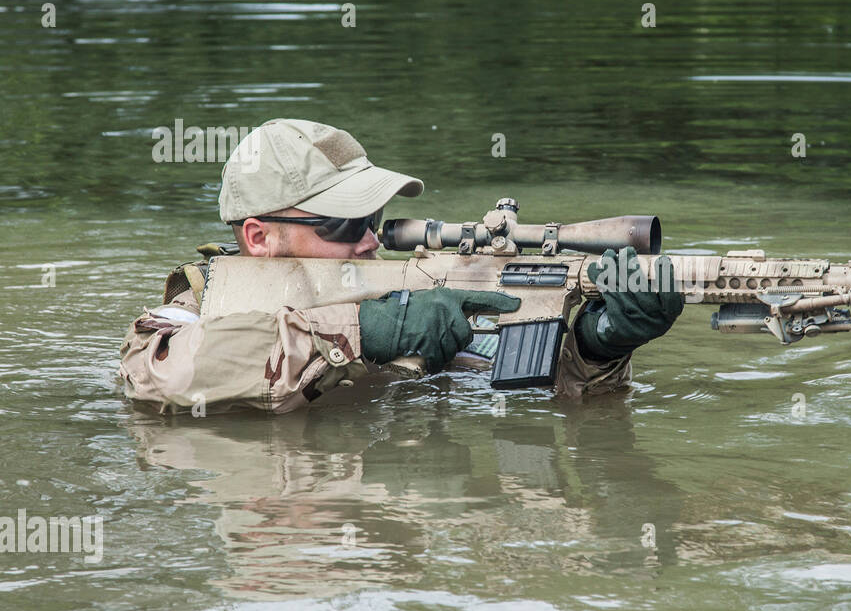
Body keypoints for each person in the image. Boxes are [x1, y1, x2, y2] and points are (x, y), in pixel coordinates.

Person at [118, 119, 683, 414]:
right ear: (259, 238)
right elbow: (157, 380)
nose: (370, 240)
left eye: (377, 219)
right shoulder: (195, 310)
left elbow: (549, 404)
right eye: (343, 225)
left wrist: (599, 345)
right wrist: (363, 332)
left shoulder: (405, 300)